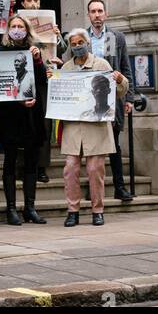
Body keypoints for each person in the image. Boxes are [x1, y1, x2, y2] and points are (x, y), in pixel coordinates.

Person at [60, 28, 128, 227]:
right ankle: (73, 210)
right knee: (70, 169)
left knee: (95, 170)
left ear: (88, 43)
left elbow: (120, 91)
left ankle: (97, 210)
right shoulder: (66, 68)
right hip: (73, 127)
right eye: (74, 44)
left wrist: (120, 80)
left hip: (96, 126)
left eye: (81, 42)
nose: (78, 46)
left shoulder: (101, 64)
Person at [0, 14, 49, 225]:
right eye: (13, 26)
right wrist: (17, 102)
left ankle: (30, 207)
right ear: (8, 30)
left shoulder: (33, 52)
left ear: (27, 30)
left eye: (20, 26)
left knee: (32, 162)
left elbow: (42, 80)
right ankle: (11, 208)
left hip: (32, 116)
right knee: (11, 161)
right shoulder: (1, 52)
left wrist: (38, 60)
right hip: (11, 116)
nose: (17, 29)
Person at [87, 0, 136, 202]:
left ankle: (120, 187)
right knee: (90, 145)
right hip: (88, 97)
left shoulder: (116, 37)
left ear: (105, 14)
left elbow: (126, 68)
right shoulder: (82, 37)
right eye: (93, 11)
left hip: (112, 98)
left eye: (100, 11)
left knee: (114, 144)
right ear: (88, 15)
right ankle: (92, 190)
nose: (97, 15)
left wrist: (129, 97)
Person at [18, 0, 64, 183]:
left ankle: (42, 166)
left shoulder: (48, 21)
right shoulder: (17, 23)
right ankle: (24, 166)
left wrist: (58, 35)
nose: (33, 3)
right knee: (25, 123)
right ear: (22, 3)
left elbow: (61, 49)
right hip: (25, 79)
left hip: (46, 77)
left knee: (44, 123)